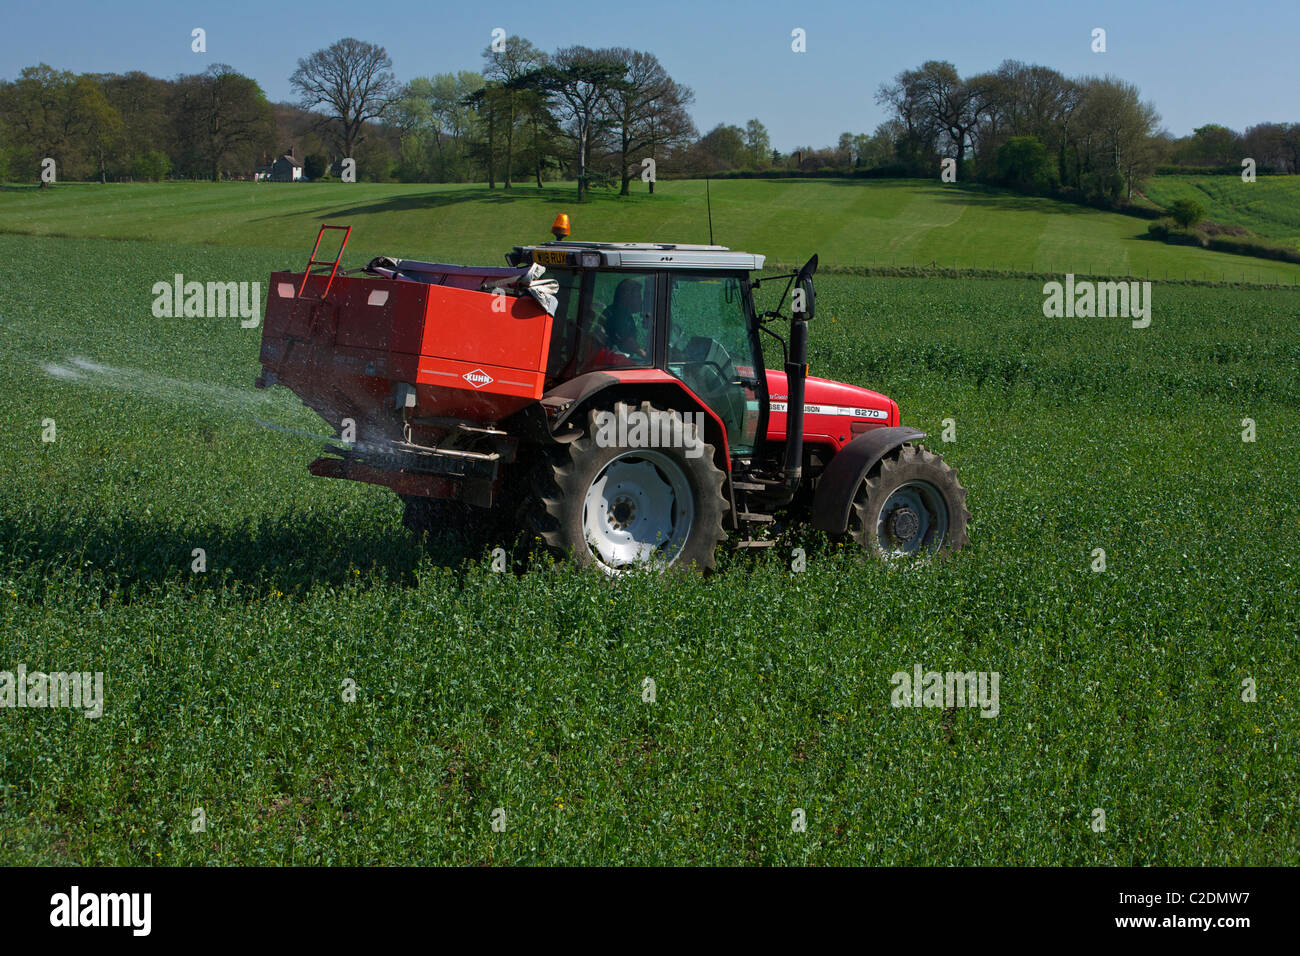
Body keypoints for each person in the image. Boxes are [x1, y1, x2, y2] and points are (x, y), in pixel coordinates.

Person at [589, 279, 648, 367]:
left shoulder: (616, 311)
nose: (641, 301)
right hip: (611, 361)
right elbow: (627, 342)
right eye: (638, 296)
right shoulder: (620, 313)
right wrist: (645, 355)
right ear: (626, 296)